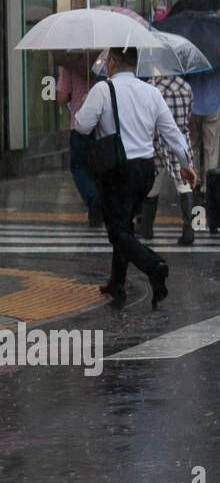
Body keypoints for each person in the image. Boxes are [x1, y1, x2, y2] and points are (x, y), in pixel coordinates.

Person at [73, 47, 196, 309]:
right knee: (124, 225)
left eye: (107, 61)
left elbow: (82, 126)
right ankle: (116, 281)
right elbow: (172, 132)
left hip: (116, 170)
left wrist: (85, 104)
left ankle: (154, 266)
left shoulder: (102, 90)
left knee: (117, 232)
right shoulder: (152, 92)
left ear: (114, 62)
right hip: (145, 171)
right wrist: (186, 165)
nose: (105, 66)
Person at [137, 74, 196, 246]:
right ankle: (189, 230)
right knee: (184, 184)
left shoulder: (151, 88)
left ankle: (146, 228)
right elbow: (189, 113)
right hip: (180, 139)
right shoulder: (185, 86)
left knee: (153, 184)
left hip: (156, 141)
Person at [56, 52, 100, 227]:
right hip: (103, 126)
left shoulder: (70, 64)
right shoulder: (106, 61)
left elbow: (61, 98)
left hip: (79, 126)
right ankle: (101, 206)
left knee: (79, 167)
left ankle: (94, 202)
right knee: (100, 168)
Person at [187, 55, 220, 197]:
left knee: (192, 144)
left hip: (191, 104)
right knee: (211, 147)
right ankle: (209, 184)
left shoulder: (187, 51)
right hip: (213, 104)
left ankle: (193, 180)